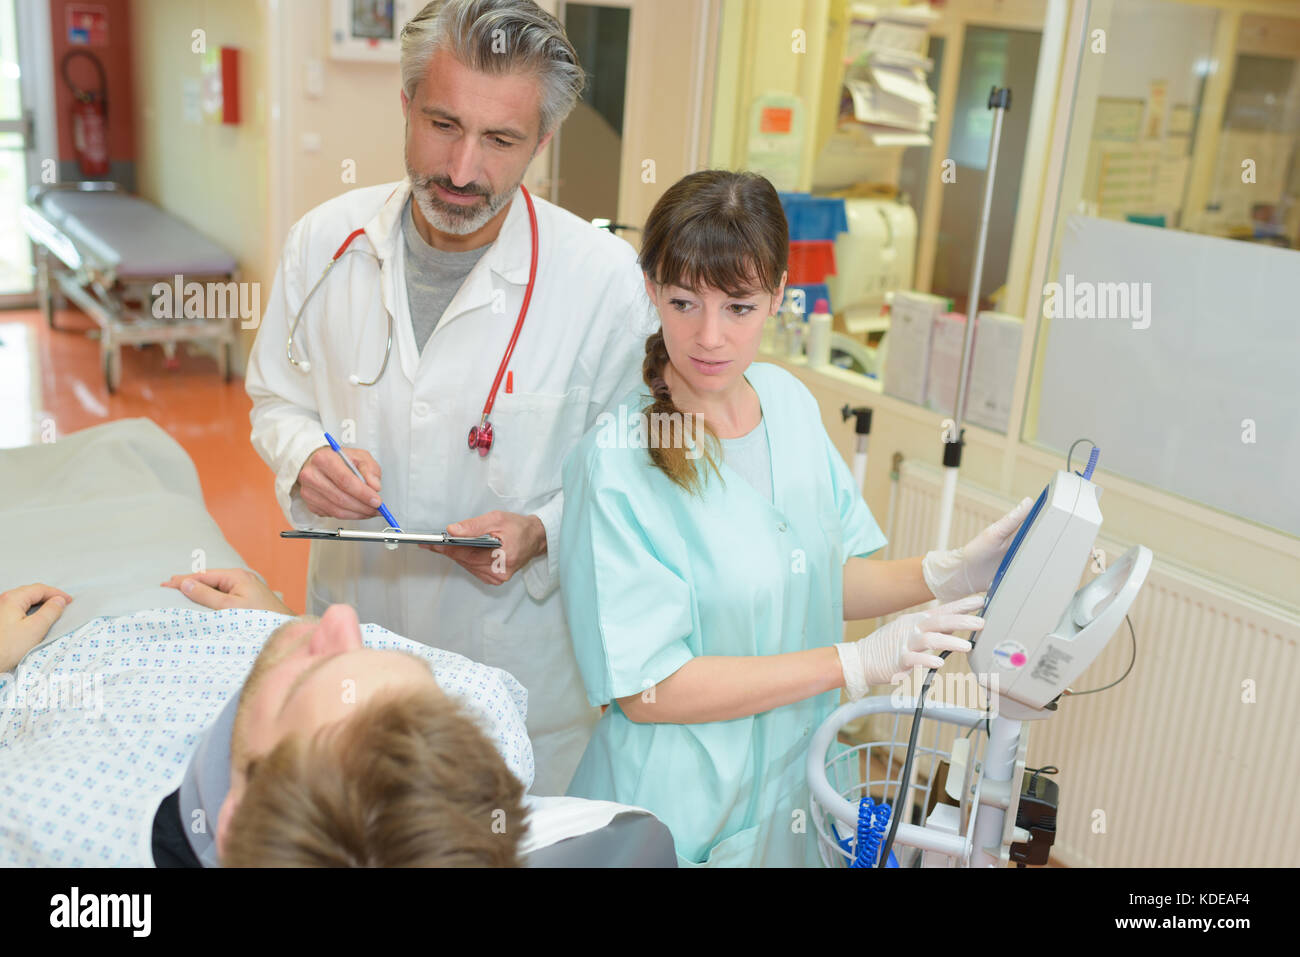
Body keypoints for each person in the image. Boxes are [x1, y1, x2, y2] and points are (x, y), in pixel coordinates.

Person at [558, 169, 1034, 867]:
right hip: (675, 812)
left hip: (796, 788)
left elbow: (821, 579)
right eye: (684, 301)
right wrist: (849, 662)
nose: (709, 336)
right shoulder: (617, 463)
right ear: (652, 287)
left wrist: (944, 573)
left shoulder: (787, 404)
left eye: (740, 307)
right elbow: (648, 689)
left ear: (779, 295)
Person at [243, 0, 651, 795]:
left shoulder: (601, 282)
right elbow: (274, 400)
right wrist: (304, 461)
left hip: (518, 683)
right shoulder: (324, 246)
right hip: (352, 659)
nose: (462, 170)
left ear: (543, 139)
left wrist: (541, 529)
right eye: (441, 124)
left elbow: (630, 471)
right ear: (404, 106)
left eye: (500, 140)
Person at [0, 573, 532, 867]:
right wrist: (274, 623)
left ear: (232, 822)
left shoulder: (43, 814)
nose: (339, 618)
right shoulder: (483, 734)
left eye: (307, 674)